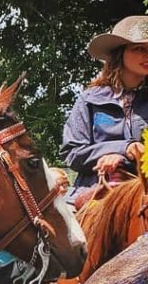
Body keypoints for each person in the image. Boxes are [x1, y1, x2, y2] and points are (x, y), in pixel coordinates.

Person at [60, 15, 148, 197]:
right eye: (139, 48)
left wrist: (122, 158)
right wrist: (125, 148)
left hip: (142, 196)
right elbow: (72, 153)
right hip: (93, 194)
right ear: (119, 52)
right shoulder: (89, 99)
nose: (147, 55)